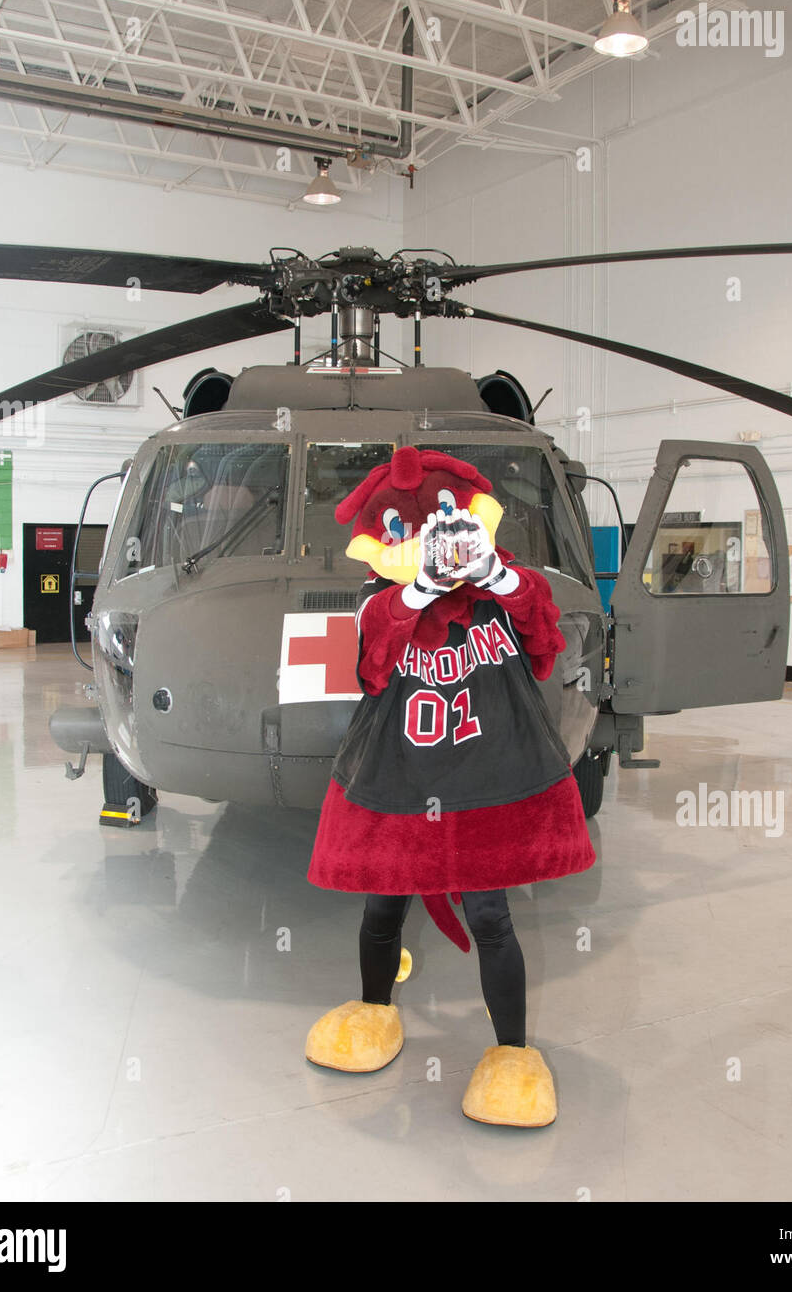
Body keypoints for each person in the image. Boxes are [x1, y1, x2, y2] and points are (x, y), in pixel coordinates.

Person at [305, 446, 596, 1126]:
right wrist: (418, 588)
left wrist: (495, 573)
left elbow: (545, 638)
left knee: (492, 918)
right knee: (382, 911)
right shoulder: (382, 601)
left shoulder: (504, 591)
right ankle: (375, 1008)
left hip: (482, 787)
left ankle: (513, 1052)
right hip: (400, 787)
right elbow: (371, 661)